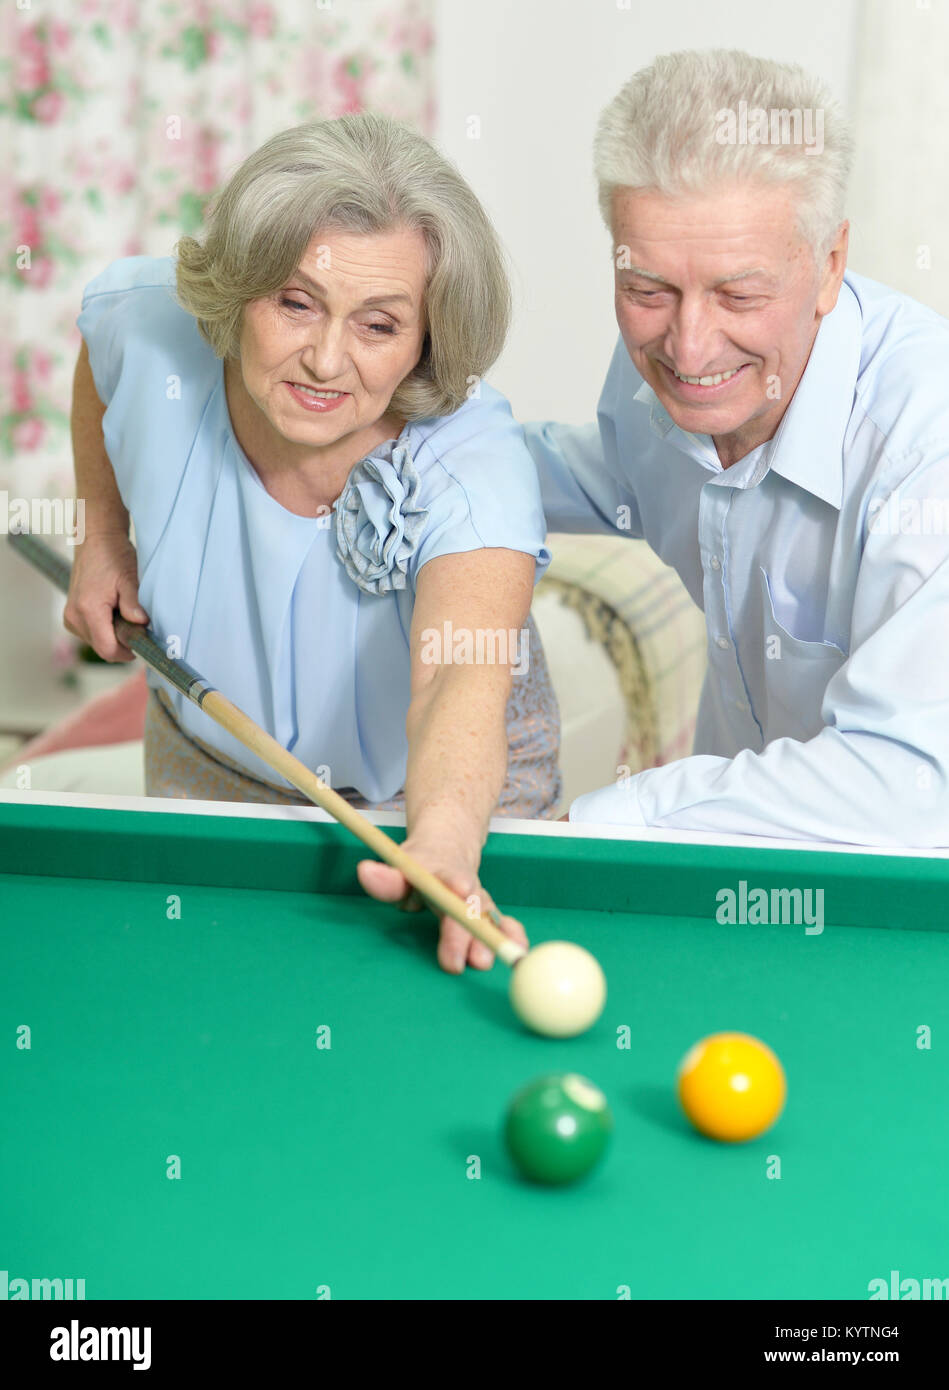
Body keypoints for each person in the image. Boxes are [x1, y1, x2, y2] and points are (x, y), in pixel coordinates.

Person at [67, 113, 561, 972]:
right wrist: (102, 533)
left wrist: (440, 840)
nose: (326, 361)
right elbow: (101, 361)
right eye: (295, 303)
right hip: (212, 757)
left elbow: (459, 678)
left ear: (425, 339)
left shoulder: (475, 462)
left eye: (378, 325)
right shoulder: (152, 324)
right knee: (206, 989)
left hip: (442, 796)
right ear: (238, 287)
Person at [523, 49, 949, 847]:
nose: (687, 349)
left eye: (738, 295)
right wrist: (402, 448)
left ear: (828, 266)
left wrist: (597, 819)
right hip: (723, 885)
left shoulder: (927, 447)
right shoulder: (667, 366)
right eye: (646, 289)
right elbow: (612, 473)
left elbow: (908, 781)